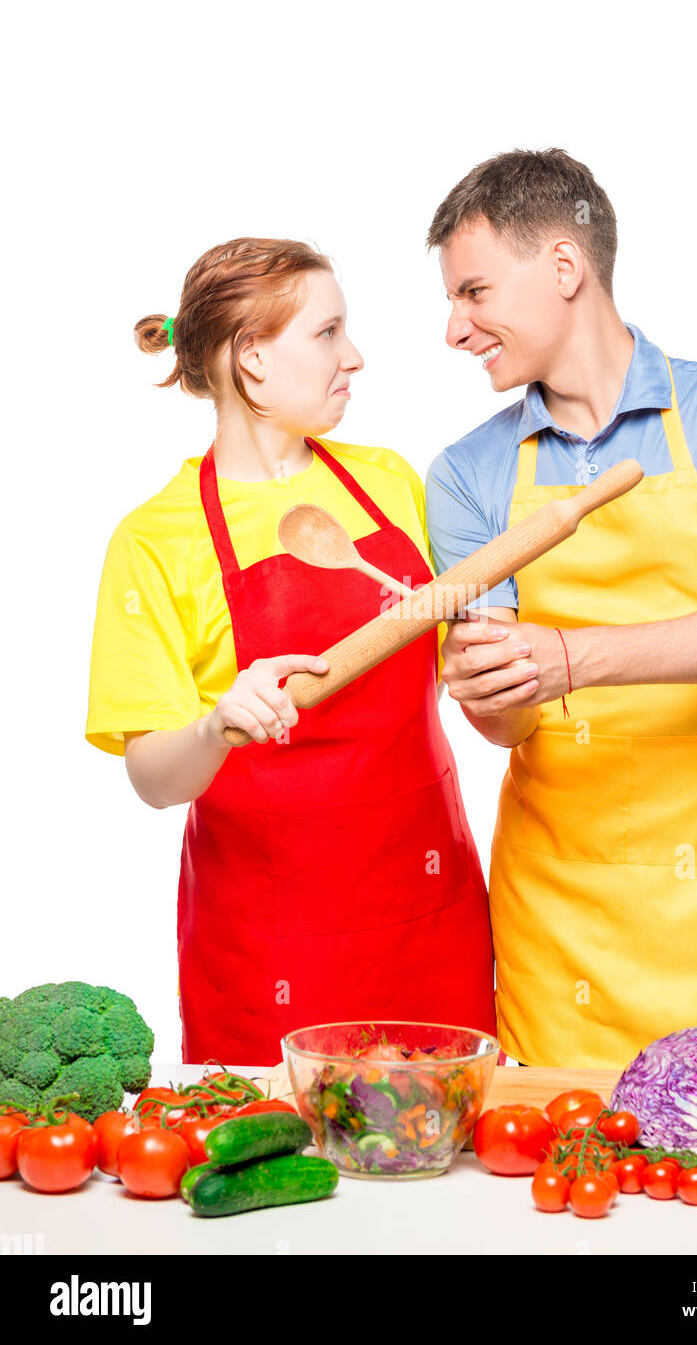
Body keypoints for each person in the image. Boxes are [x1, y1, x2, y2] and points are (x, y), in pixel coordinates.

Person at [423, 149, 697, 1069]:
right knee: (560, 1186)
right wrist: (489, 690)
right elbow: (507, 724)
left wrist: (565, 656)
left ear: (565, 269)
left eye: (474, 292)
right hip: (562, 928)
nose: (454, 328)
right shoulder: (464, 475)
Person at [86, 236, 496, 1065]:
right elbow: (152, 781)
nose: (356, 357)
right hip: (270, 942)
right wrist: (214, 728)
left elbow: (465, 663)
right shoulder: (156, 540)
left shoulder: (388, 481)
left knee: (446, 1167)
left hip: (428, 911)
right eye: (327, 333)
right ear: (251, 358)